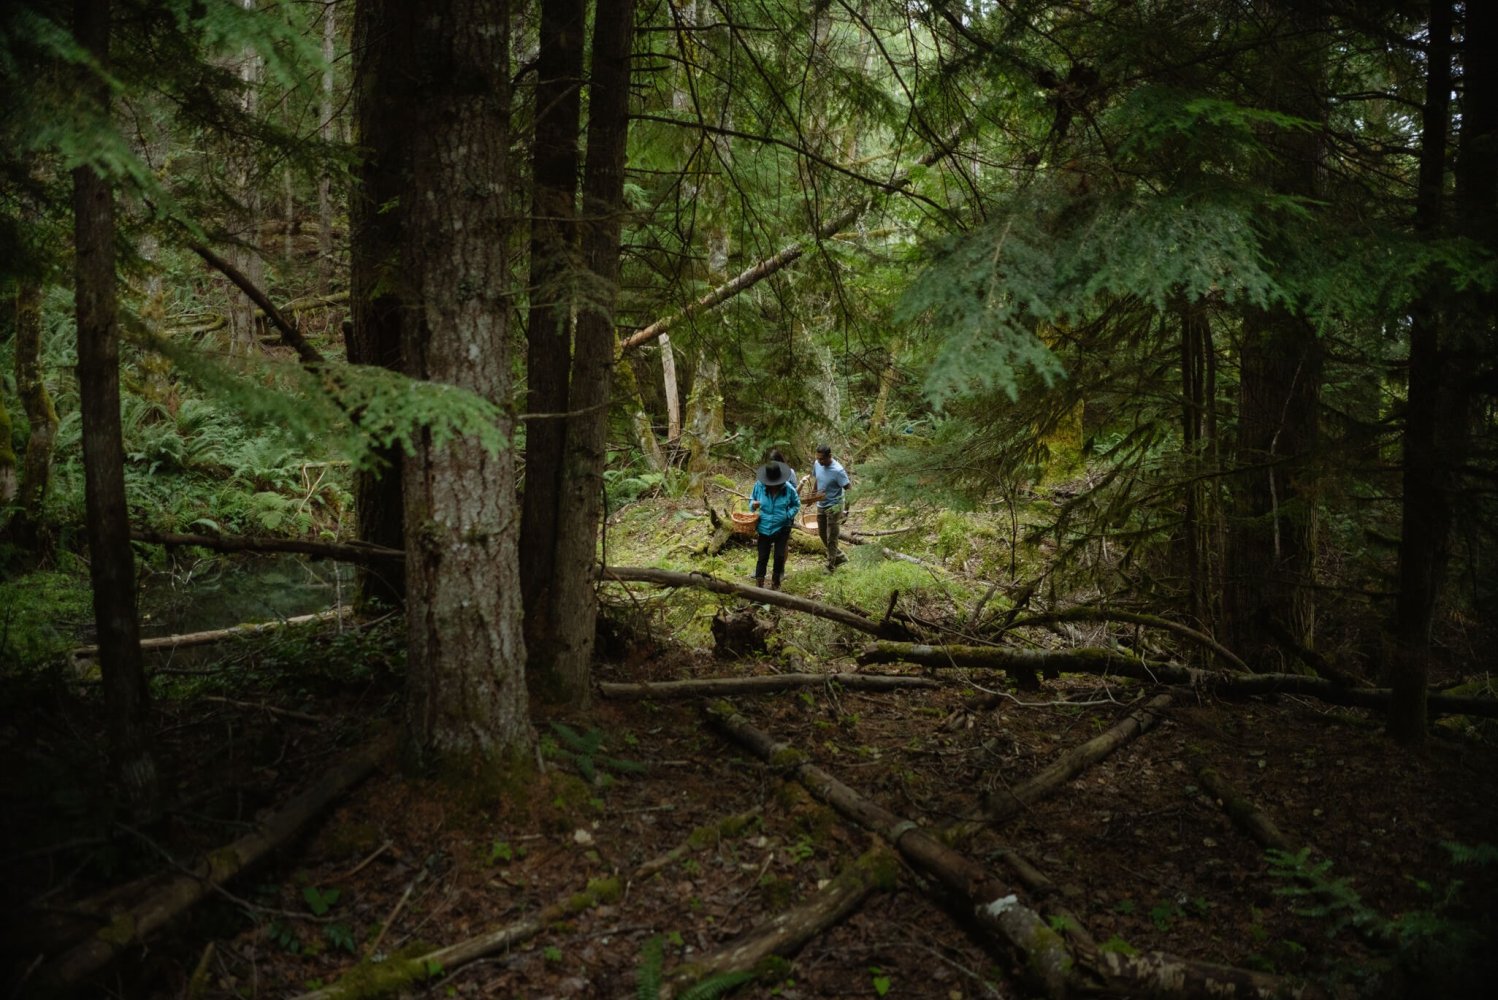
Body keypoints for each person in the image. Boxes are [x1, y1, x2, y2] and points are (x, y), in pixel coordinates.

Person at [749, 460, 800, 591]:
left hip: (783, 527)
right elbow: (751, 500)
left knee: (779, 556)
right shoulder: (759, 486)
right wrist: (753, 505)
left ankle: (775, 584)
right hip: (764, 526)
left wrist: (787, 515)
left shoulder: (788, 489)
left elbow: (796, 504)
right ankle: (759, 587)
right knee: (762, 556)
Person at [809, 444, 851, 572]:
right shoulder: (817, 464)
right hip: (821, 504)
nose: (820, 461)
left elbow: (849, 489)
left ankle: (830, 565)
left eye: (822, 459)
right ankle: (840, 556)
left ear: (830, 456)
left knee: (832, 537)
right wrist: (813, 495)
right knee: (822, 534)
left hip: (834, 506)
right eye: (818, 458)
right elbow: (817, 479)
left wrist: (845, 510)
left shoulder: (838, 471)